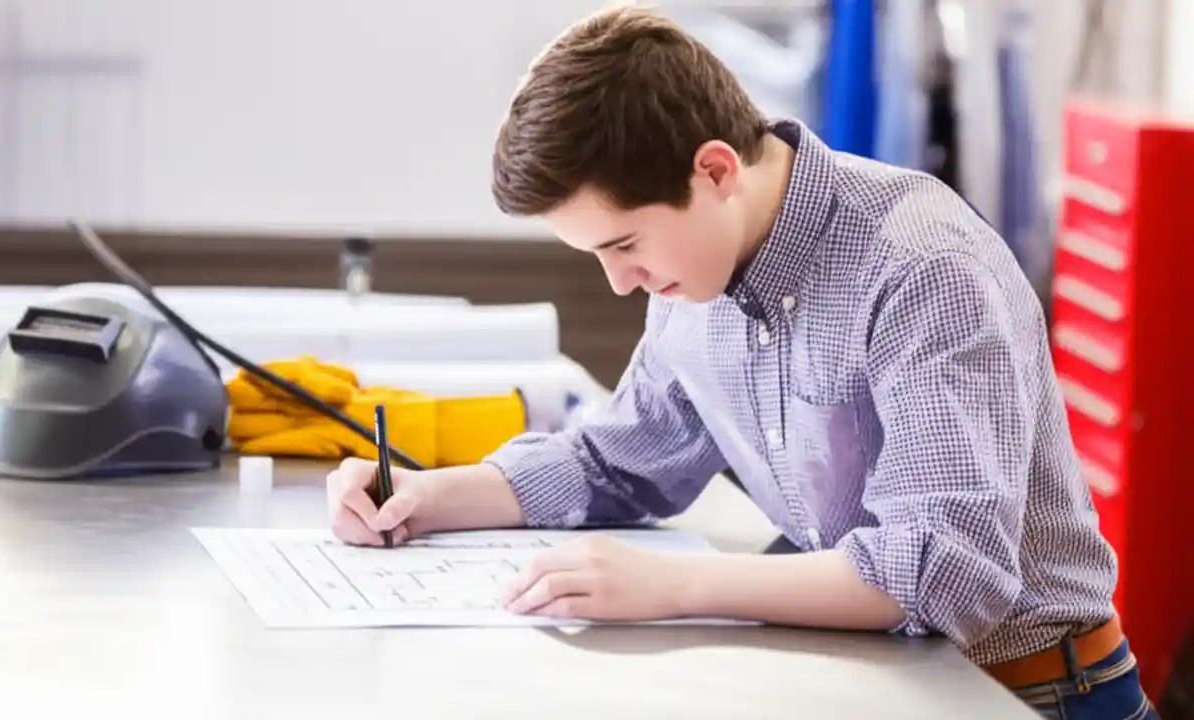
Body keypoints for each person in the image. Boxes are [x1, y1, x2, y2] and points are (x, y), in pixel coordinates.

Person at [326, 6, 1154, 718]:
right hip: (879, 678)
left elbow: (946, 572)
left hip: (1029, 694)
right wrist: (434, 497)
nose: (619, 283)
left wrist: (677, 587)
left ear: (716, 170)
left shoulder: (921, 268)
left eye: (624, 244)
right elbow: (619, 461)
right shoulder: (698, 270)